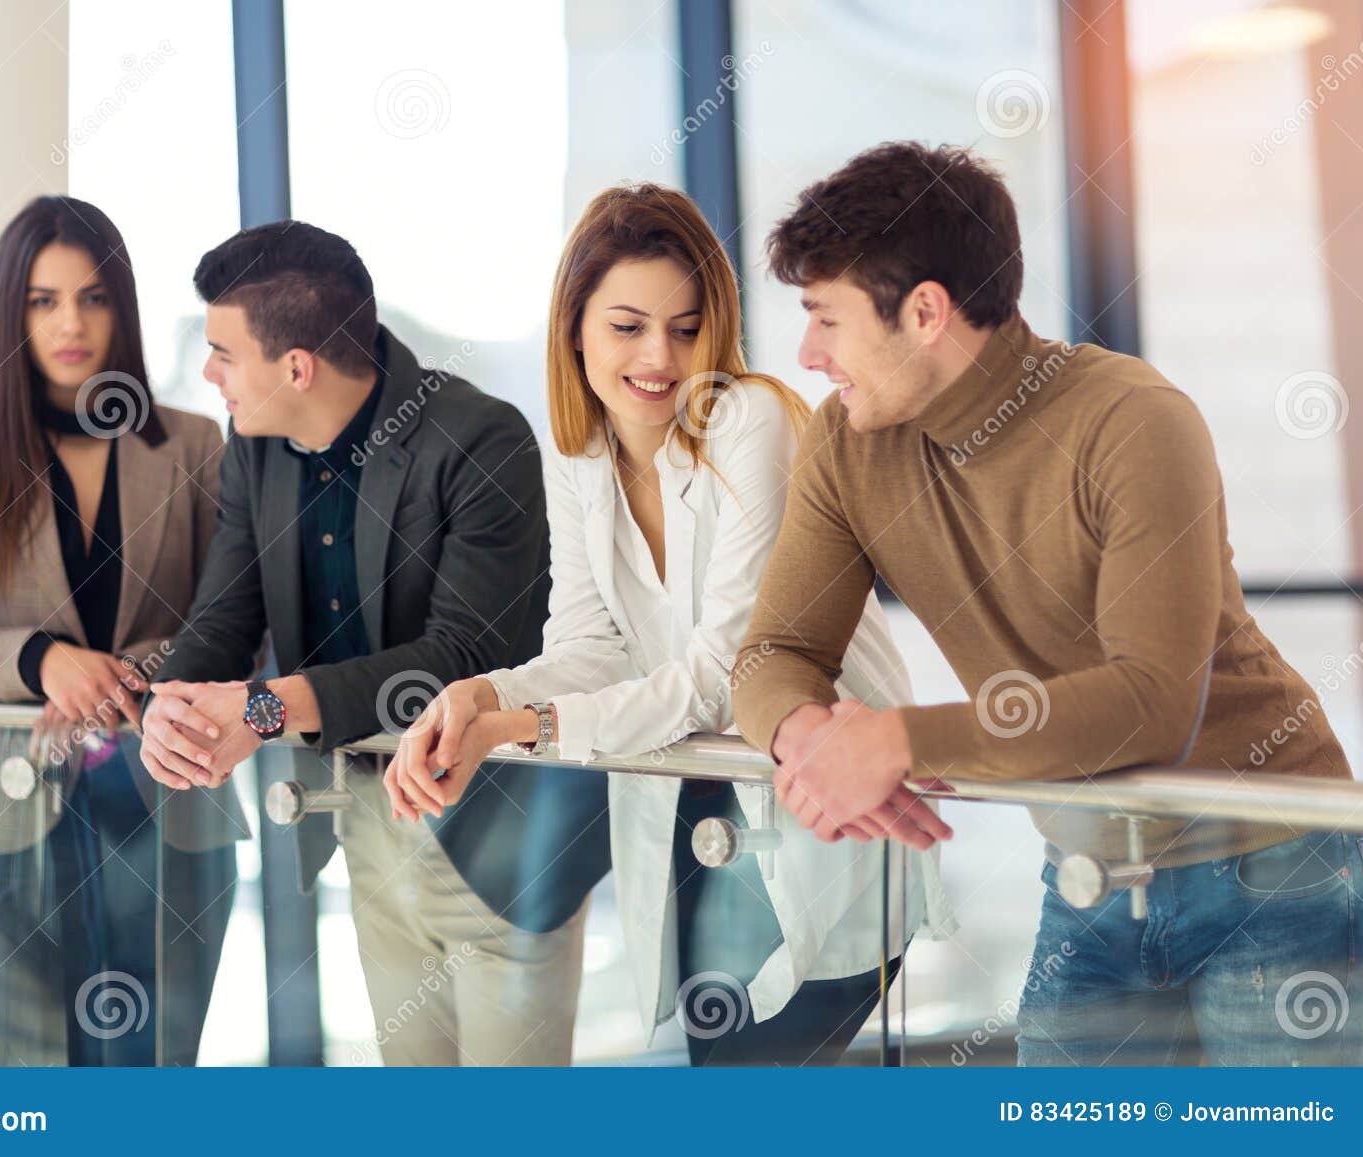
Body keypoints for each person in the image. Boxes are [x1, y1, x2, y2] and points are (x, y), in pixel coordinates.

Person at [734, 141, 1363, 1066]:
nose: (809, 353)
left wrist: (900, 740)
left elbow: (1150, 704)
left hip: (1271, 863)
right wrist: (812, 744)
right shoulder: (848, 445)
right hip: (1090, 875)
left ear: (924, 311)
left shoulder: (1133, 421)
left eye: (825, 318)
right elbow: (771, 653)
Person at [387, 184, 954, 1066]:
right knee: (713, 1065)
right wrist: (480, 694)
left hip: (815, 812)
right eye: (627, 326)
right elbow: (587, 646)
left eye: (686, 329)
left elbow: (723, 672)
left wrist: (524, 725)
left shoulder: (750, 422)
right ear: (574, 327)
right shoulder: (579, 454)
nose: (660, 356)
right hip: (697, 803)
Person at [137, 220, 610, 1066]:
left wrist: (260, 707)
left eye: (223, 352)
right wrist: (168, 705)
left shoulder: (480, 439)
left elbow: (465, 654)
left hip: (501, 832)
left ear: (296, 367)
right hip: (363, 819)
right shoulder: (256, 453)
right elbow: (224, 616)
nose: (208, 373)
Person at [0, 195, 244, 1066]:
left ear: (121, 306)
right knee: (35, 1086)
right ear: (10, 312)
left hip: (172, 806)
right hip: (15, 809)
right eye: (43, 301)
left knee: (155, 1075)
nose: (71, 323)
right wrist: (44, 659)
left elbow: (242, 628)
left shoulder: (197, 447)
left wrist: (137, 669)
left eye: (92, 297)